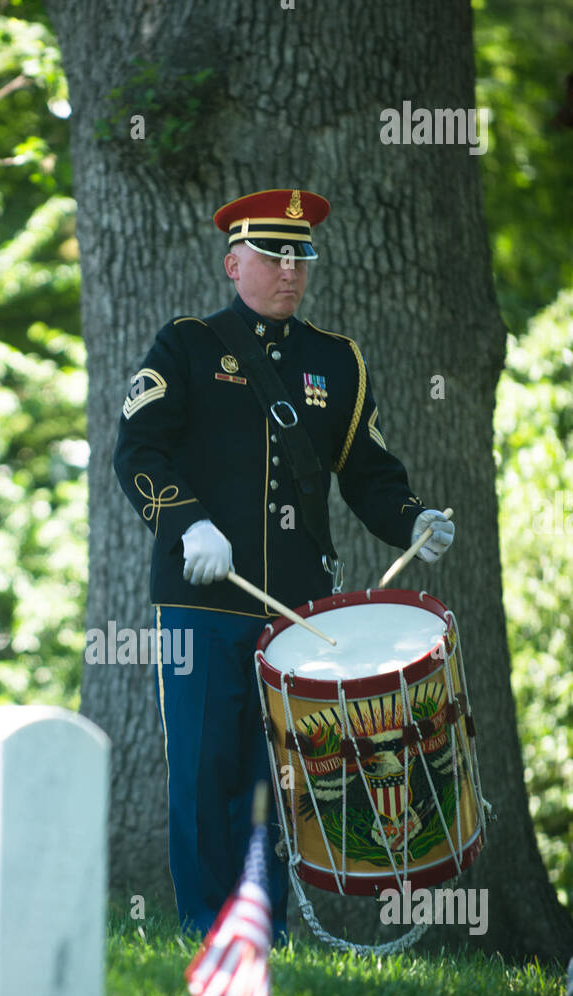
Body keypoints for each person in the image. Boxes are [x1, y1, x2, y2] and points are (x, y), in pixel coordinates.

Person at [113, 187, 454, 943]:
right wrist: (184, 521)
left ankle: (264, 932)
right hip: (203, 597)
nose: (289, 271)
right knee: (204, 771)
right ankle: (206, 931)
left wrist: (412, 521)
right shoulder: (188, 344)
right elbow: (137, 447)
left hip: (296, 610)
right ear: (234, 263)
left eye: (300, 257)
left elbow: (367, 473)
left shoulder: (335, 360)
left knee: (287, 779)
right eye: (271, 256)